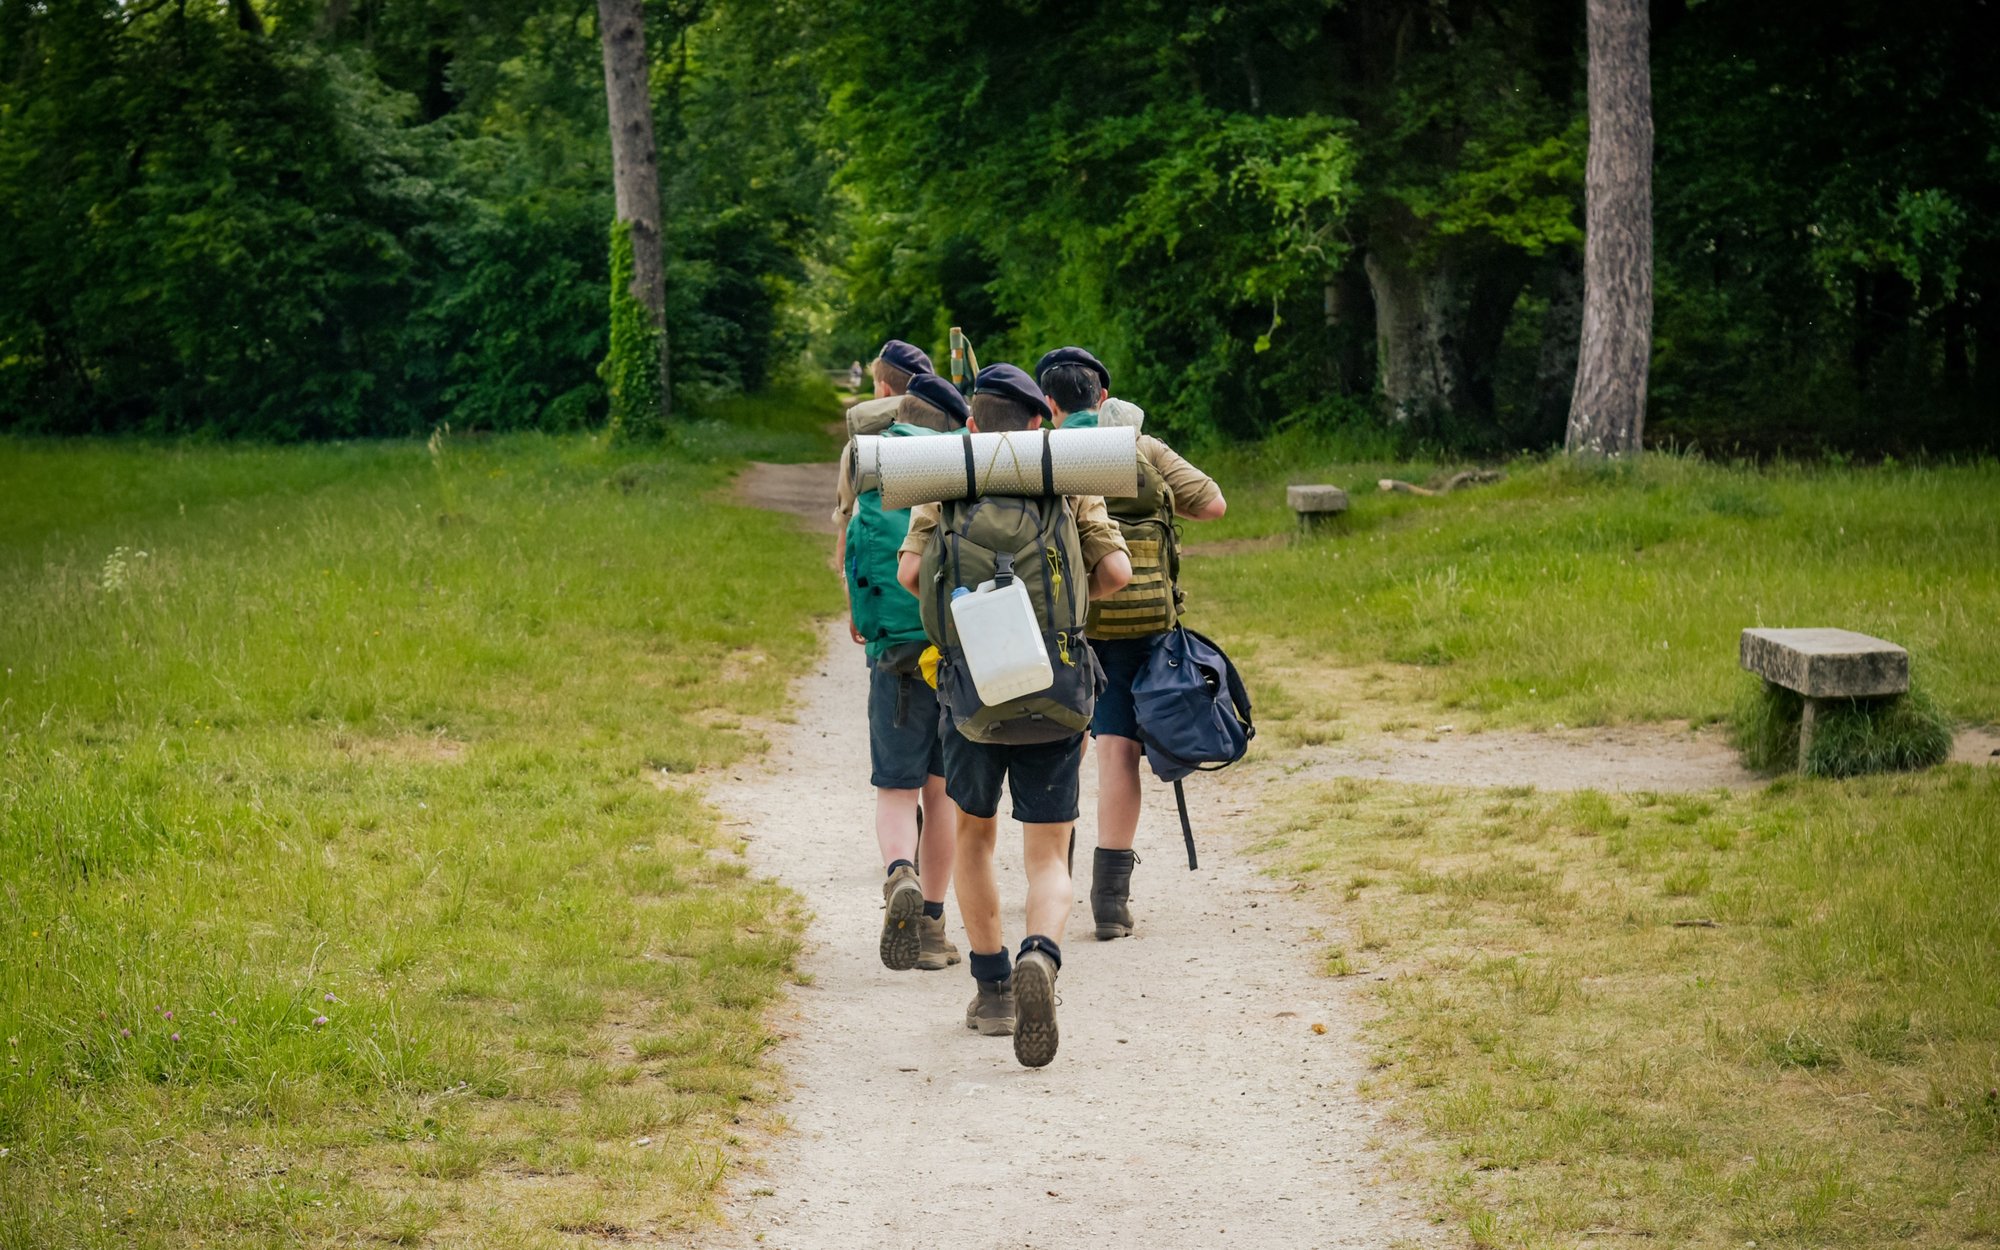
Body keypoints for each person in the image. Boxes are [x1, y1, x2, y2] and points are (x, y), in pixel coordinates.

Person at [897, 364, 1133, 1067]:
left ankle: (995, 989)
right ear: (1040, 425)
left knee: (973, 836)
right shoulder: (1067, 475)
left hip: (971, 695)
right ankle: (1044, 954)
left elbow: (913, 577)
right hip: (1057, 688)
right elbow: (1116, 574)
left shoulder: (944, 479)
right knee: (1048, 848)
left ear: (972, 424)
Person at [1036, 346, 1226, 941]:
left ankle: (1052, 877)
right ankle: (1111, 902)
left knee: (1064, 746)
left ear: (1048, 404)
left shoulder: (1042, 455)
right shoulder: (1142, 449)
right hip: (1145, 626)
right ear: (1103, 398)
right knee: (1120, 753)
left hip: (1073, 628)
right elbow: (1214, 505)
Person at [833, 349, 965, 973]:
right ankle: (934, 927)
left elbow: (852, 562)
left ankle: (898, 873)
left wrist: (866, 623)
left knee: (895, 786)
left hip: (891, 649)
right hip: (953, 649)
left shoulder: (876, 466)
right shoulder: (956, 467)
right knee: (941, 795)